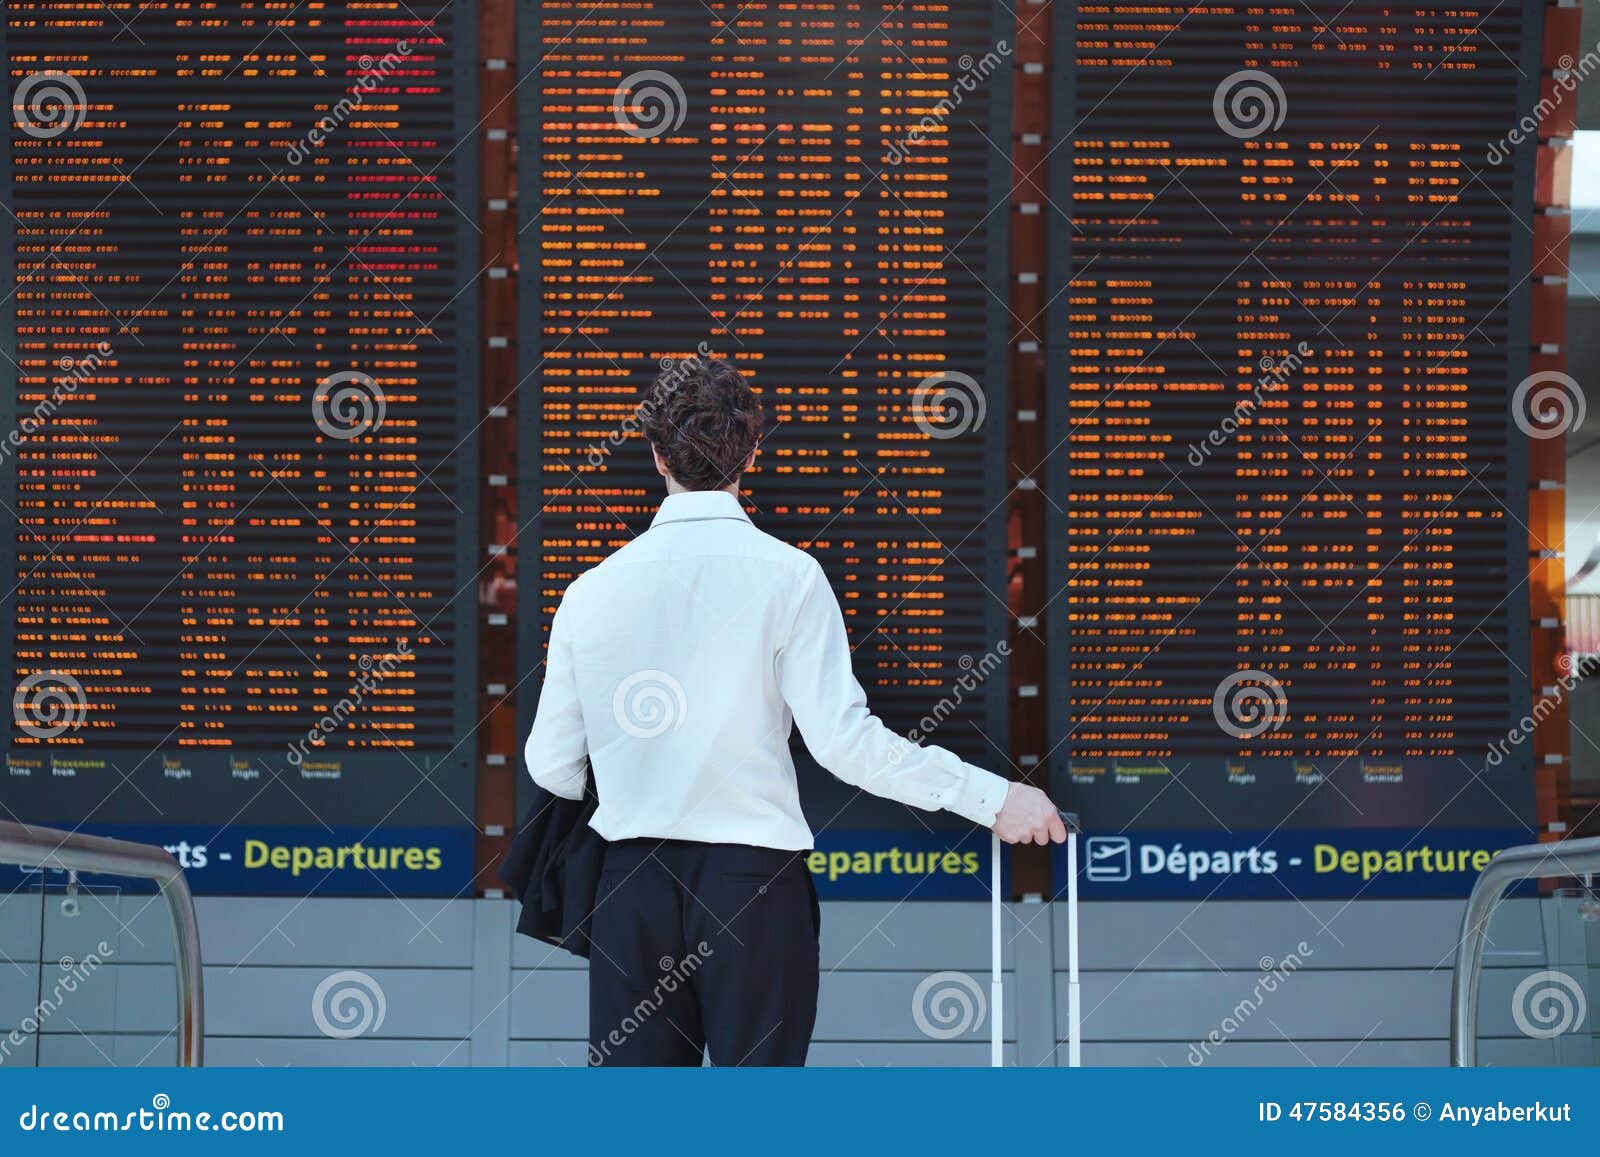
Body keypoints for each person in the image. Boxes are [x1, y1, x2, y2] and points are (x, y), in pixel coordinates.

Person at [524, 355, 1066, 1066]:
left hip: (633, 891)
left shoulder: (590, 591)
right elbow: (845, 745)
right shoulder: (790, 576)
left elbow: (550, 765)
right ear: (753, 452)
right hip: (752, 888)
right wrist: (994, 798)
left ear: (655, 453)